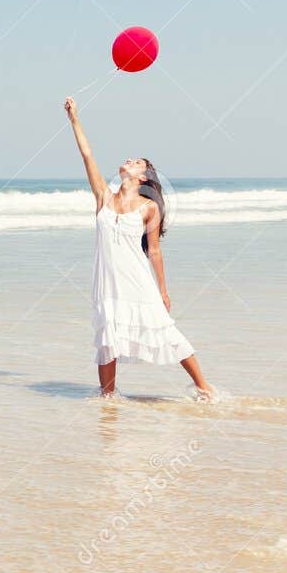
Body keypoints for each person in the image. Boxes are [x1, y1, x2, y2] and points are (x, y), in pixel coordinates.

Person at [63, 96, 215, 400]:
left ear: (143, 177)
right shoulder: (104, 198)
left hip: (138, 281)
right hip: (108, 283)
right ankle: (108, 398)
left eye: (137, 162)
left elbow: (154, 251)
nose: (129, 160)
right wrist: (74, 119)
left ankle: (205, 388)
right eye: (130, 159)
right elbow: (87, 155)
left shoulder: (149, 208)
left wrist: (163, 291)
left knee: (164, 330)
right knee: (107, 336)